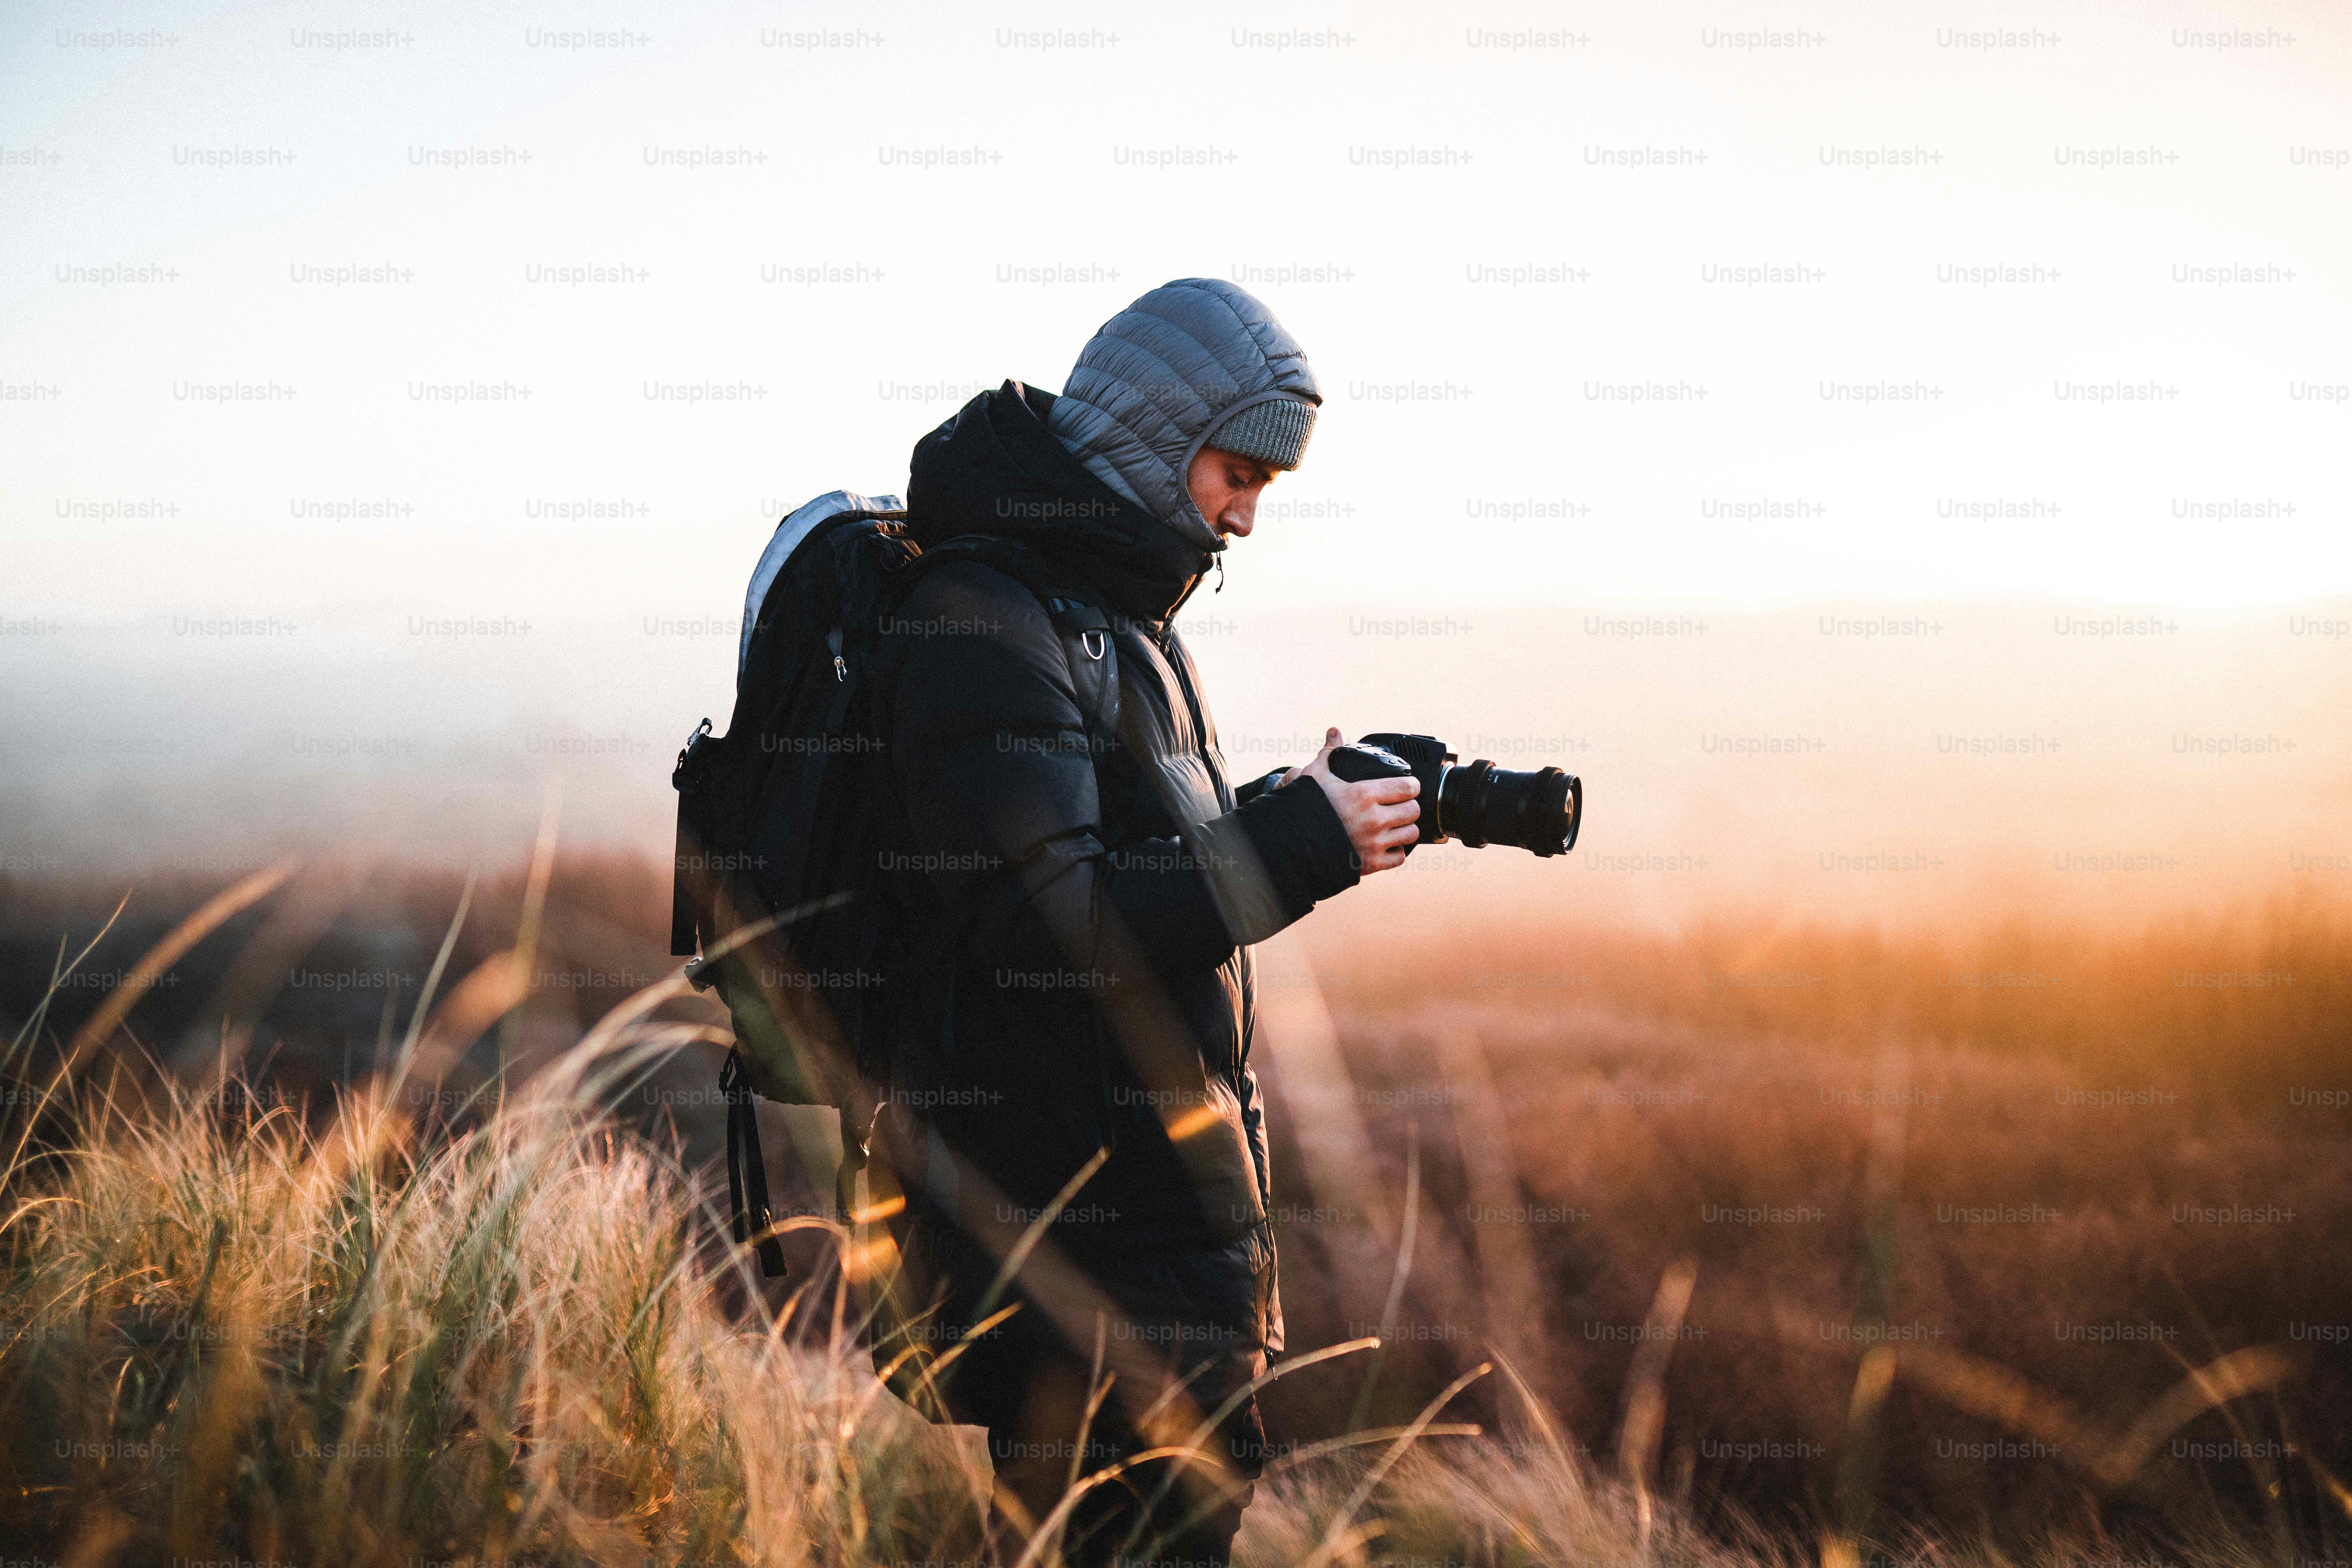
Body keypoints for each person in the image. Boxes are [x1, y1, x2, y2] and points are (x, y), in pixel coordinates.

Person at [865, 279, 1419, 1567]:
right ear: (1156, 437)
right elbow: (1050, 929)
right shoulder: (985, 619)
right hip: (1087, 1259)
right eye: (1238, 473)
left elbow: (1125, 860)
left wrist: (1292, 806)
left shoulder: (1119, 623)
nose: (1247, 514)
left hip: (1155, 1250)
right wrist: (1301, 847)